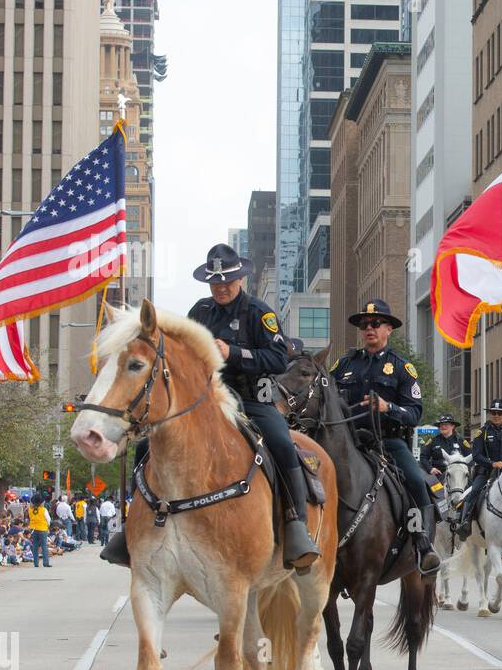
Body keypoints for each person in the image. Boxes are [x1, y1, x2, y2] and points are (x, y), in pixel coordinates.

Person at [101, 243, 319, 569]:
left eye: (227, 282)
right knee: (146, 443)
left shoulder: (260, 313)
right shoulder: (200, 312)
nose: (220, 288)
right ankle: (133, 522)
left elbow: (278, 358)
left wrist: (233, 353)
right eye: (215, 283)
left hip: (248, 400)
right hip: (205, 401)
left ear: (240, 279)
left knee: (282, 444)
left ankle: (296, 524)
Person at [330, 299, 439, 574]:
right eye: (365, 324)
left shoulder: (401, 368)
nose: (369, 328)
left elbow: (414, 413)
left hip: (388, 442)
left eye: (376, 323)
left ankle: (423, 543)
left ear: (388, 329)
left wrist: (387, 407)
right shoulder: (343, 365)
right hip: (350, 442)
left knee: (415, 479)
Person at [460, 397, 502, 538]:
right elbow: (476, 455)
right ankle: (464, 522)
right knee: (474, 492)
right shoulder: (482, 432)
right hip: (486, 473)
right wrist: (492, 463)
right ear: (491, 414)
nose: (497, 416)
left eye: (500, 413)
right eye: (494, 413)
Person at [27, 494, 52, 568]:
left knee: (35, 547)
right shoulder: (43, 509)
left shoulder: (30, 510)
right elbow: (48, 520)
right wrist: (48, 526)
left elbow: (30, 518)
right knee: (44, 546)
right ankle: (46, 562)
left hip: (33, 529)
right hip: (43, 529)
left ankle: (36, 563)